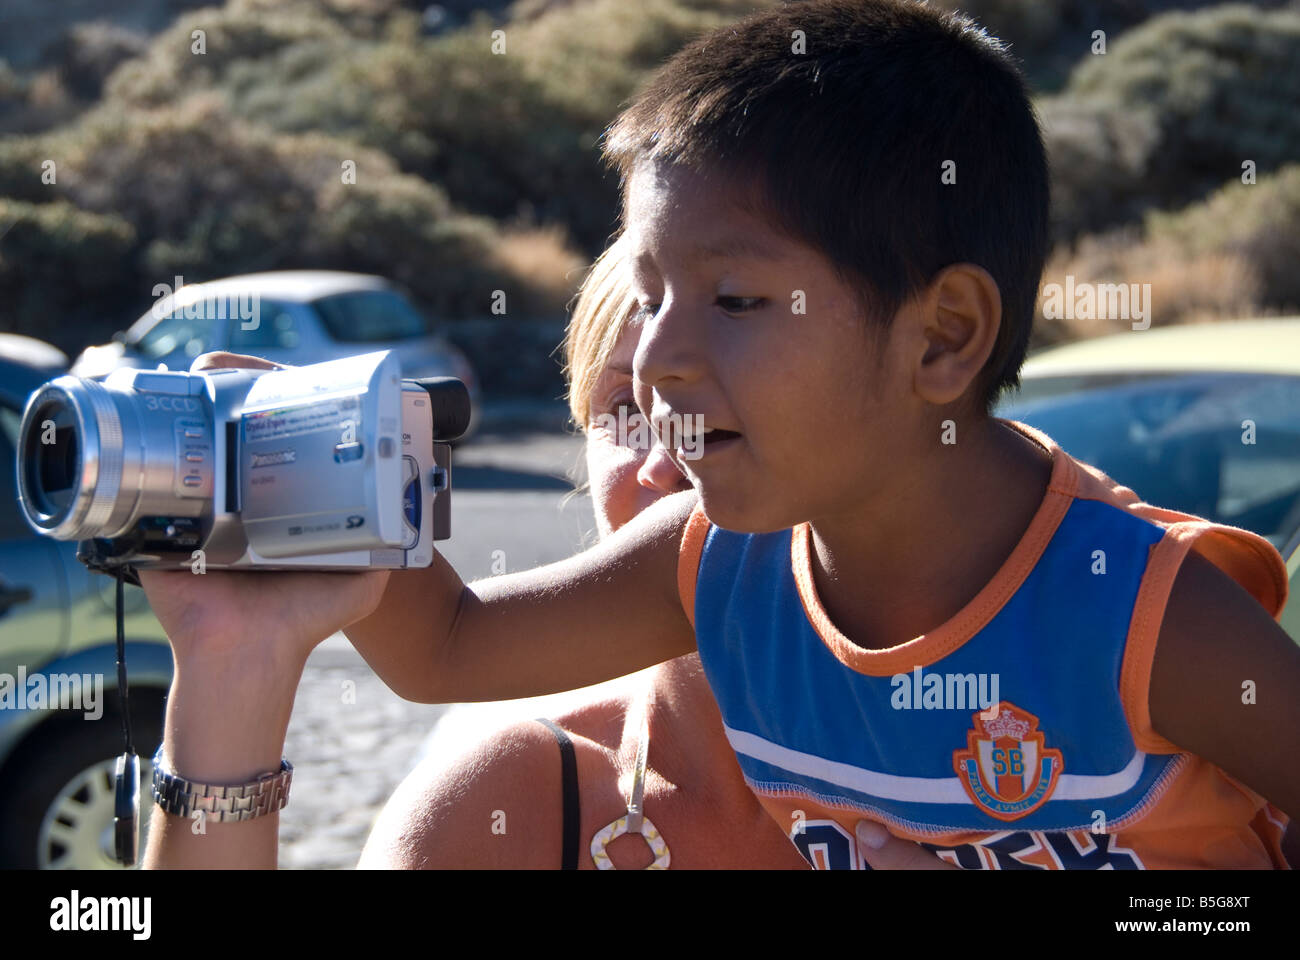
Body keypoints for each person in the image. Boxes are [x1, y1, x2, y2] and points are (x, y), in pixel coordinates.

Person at [142, 0, 1298, 871]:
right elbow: (446, 646)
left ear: (943, 337)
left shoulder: (1143, 609)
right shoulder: (717, 567)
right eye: (645, 298)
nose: (655, 360)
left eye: (735, 301)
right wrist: (302, 484)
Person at [358, 235, 809, 869]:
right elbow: (439, 638)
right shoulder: (500, 813)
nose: (666, 462)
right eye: (627, 408)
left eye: (729, 406)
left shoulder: (982, 766)